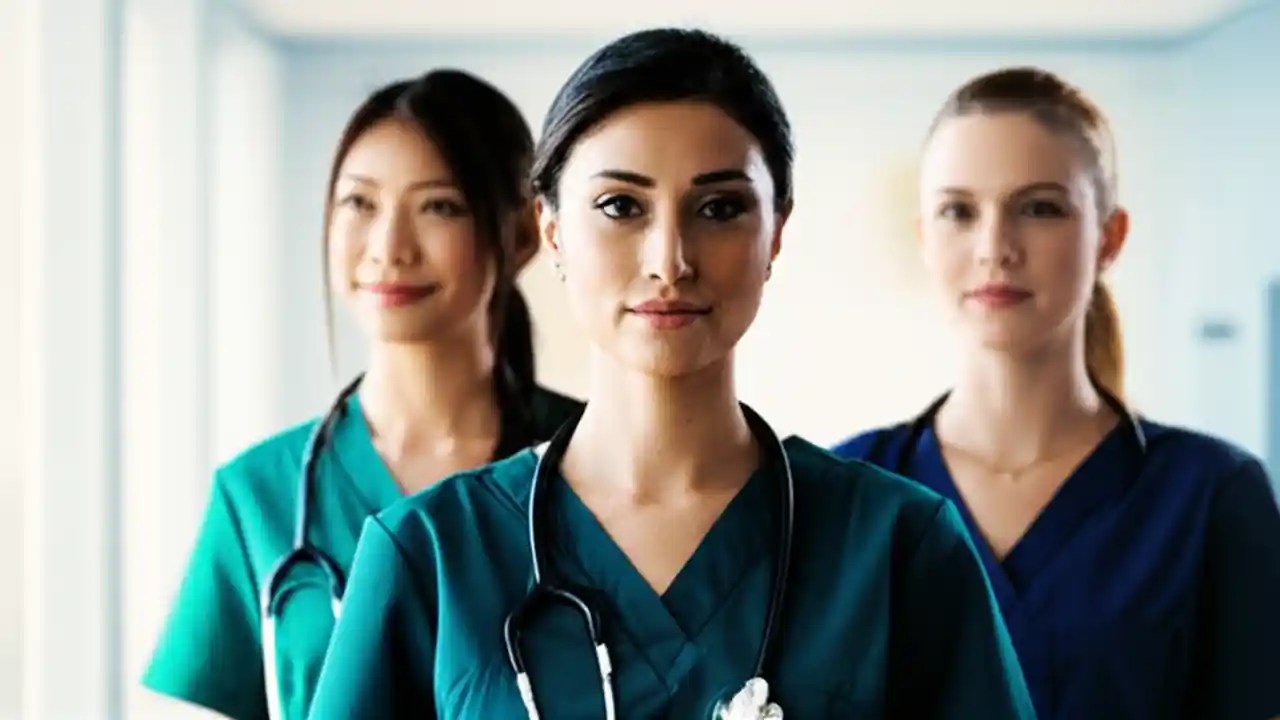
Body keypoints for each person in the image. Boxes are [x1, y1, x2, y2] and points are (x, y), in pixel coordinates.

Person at [307, 29, 1036, 720]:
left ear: (775, 232)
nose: (669, 260)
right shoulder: (429, 555)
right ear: (554, 231)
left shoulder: (897, 546)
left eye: (719, 208)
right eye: (620, 206)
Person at [833, 67, 1280, 720]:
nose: (995, 247)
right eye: (959, 211)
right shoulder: (845, 492)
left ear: (1110, 237)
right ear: (925, 238)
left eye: (1038, 207)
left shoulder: (1214, 495)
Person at [141, 69, 582, 720]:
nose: (388, 248)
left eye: (439, 206)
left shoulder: (596, 462)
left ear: (521, 234)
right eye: (359, 203)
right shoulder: (259, 495)